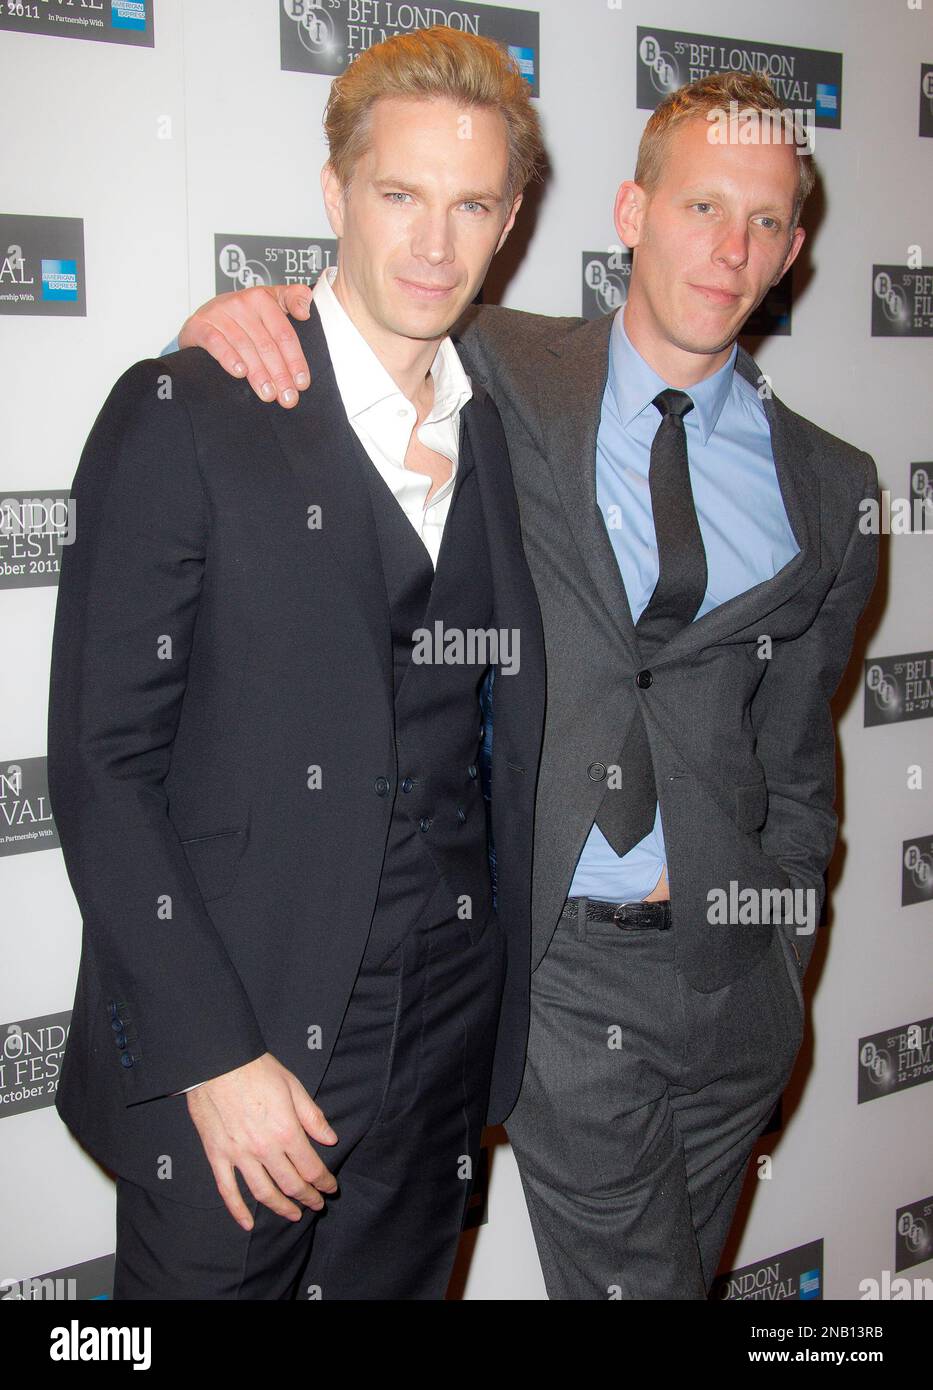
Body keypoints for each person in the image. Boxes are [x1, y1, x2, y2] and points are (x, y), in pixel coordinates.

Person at [182, 61, 880, 1298]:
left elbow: (798, 756)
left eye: (766, 220)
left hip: (740, 990)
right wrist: (229, 322)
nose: (731, 249)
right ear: (631, 212)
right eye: (702, 207)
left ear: (795, 248)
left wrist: (785, 938)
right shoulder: (498, 368)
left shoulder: (831, 485)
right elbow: (353, 318)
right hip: (565, 972)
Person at [47, 27, 545, 1300]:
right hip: (239, 1048)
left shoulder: (513, 421)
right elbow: (103, 766)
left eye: (472, 203)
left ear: (511, 218)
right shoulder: (192, 409)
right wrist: (214, 1057)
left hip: (437, 1042)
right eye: (399, 195)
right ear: (334, 195)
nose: (435, 245)